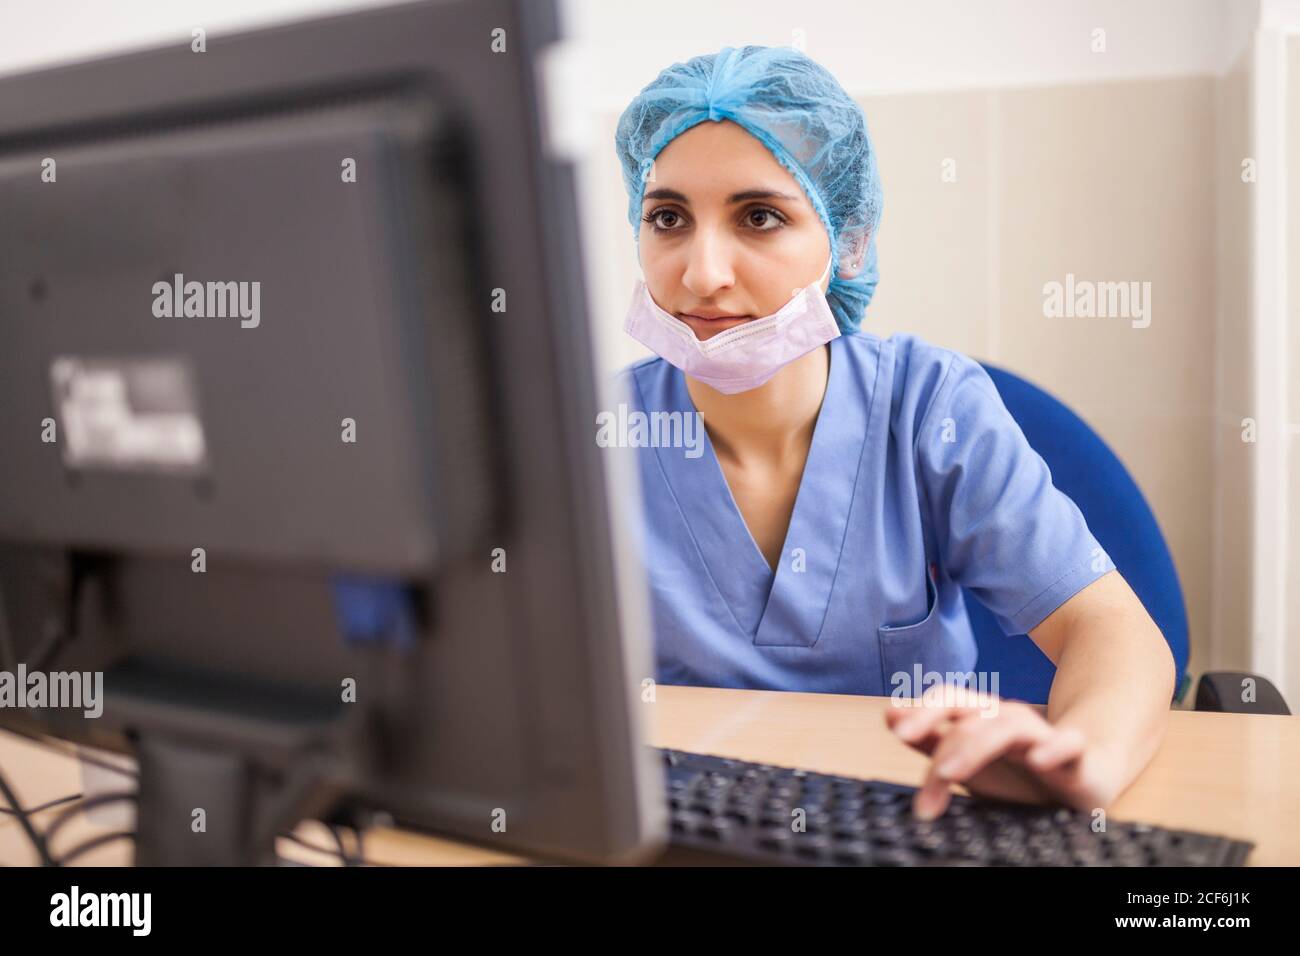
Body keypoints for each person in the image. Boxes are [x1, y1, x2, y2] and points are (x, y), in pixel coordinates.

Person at [612, 45, 1175, 820]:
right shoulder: (592, 440)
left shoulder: (929, 407)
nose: (702, 273)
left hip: (911, 819)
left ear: (848, 243)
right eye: (668, 217)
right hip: (674, 828)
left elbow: (1110, 630)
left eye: (761, 216)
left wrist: (1085, 758)